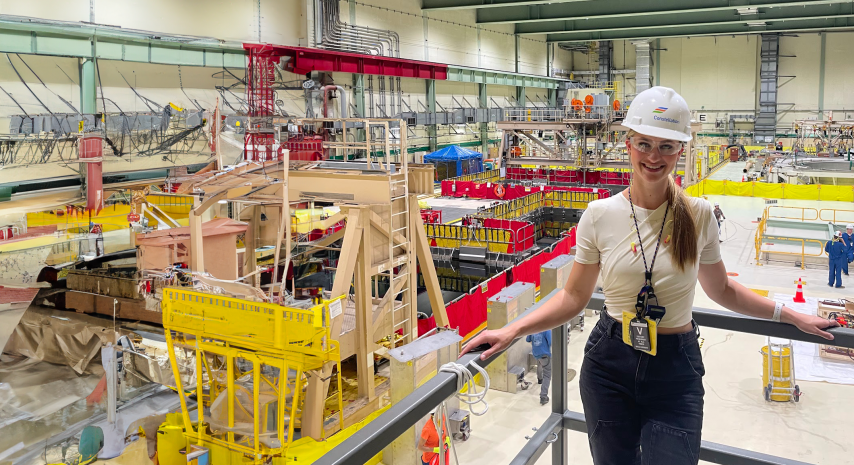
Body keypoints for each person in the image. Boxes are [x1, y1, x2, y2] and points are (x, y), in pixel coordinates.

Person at [461, 86, 837, 465]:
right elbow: (573, 297)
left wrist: (789, 315)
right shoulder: (599, 215)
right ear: (628, 144)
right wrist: (512, 330)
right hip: (609, 363)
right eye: (644, 144)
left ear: (680, 150)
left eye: (666, 146)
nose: (654, 156)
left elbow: (722, 289)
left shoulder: (699, 215)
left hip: (675, 369)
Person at [526, 329, 552, 405]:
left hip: (536, 353)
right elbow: (551, 342)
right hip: (545, 354)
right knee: (547, 375)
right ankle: (543, 396)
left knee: (540, 362)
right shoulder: (547, 329)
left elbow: (528, 339)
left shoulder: (533, 327)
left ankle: (540, 379)